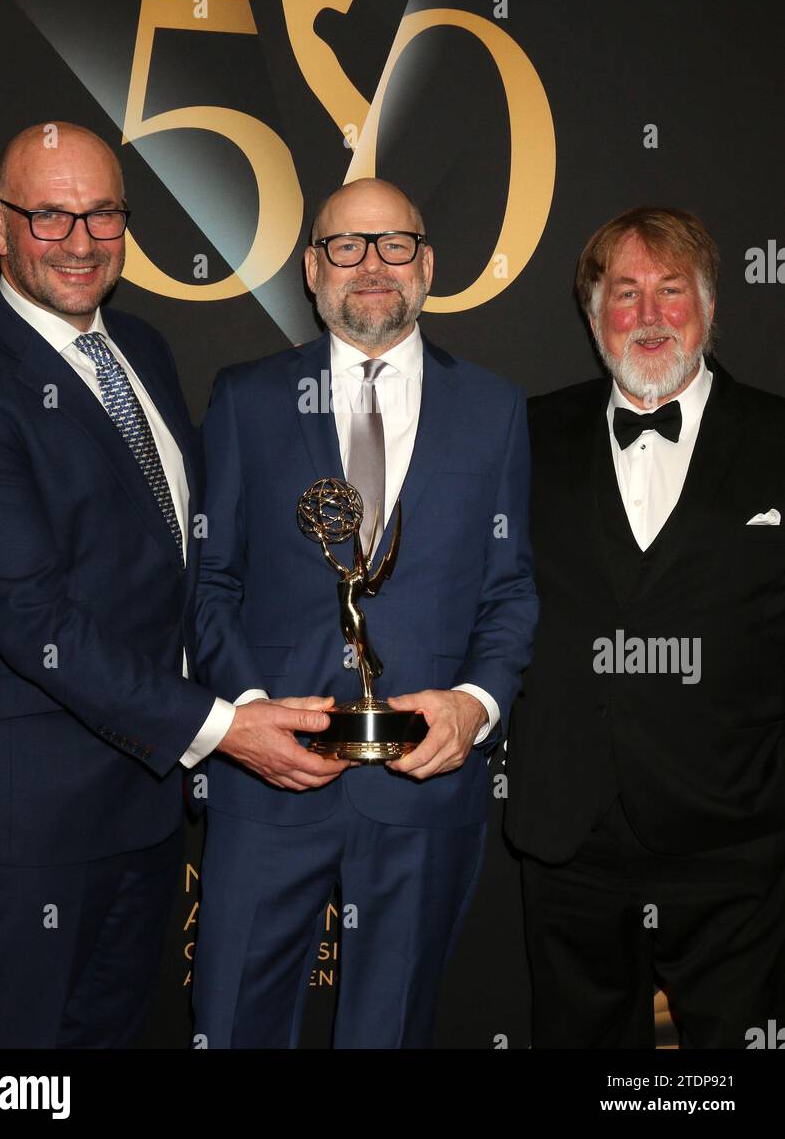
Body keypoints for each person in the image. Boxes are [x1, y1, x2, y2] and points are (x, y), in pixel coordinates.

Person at [0, 121, 331, 1049]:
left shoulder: (139, 345)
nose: (80, 241)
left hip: (143, 807)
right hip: (20, 832)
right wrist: (226, 728)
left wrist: (252, 688)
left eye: (103, 213)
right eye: (50, 216)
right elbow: (35, 617)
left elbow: (168, 566)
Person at [192, 176, 538, 1048]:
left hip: (426, 787)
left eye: (394, 245)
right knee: (233, 1026)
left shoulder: (494, 410)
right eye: (347, 245)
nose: (372, 265)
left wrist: (477, 706)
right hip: (268, 781)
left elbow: (508, 592)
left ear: (427, 266)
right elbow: (211, 585)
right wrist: (248, 715)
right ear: (313, 268)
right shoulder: (246, 398)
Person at [505, 205, 785, 1048]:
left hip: (735, 838)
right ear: (594, 320)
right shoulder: (524, 437)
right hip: (571, 837)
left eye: (671, 291)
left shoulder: (780, 437)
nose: (651, 316)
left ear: (709, 307)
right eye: (625, 295)